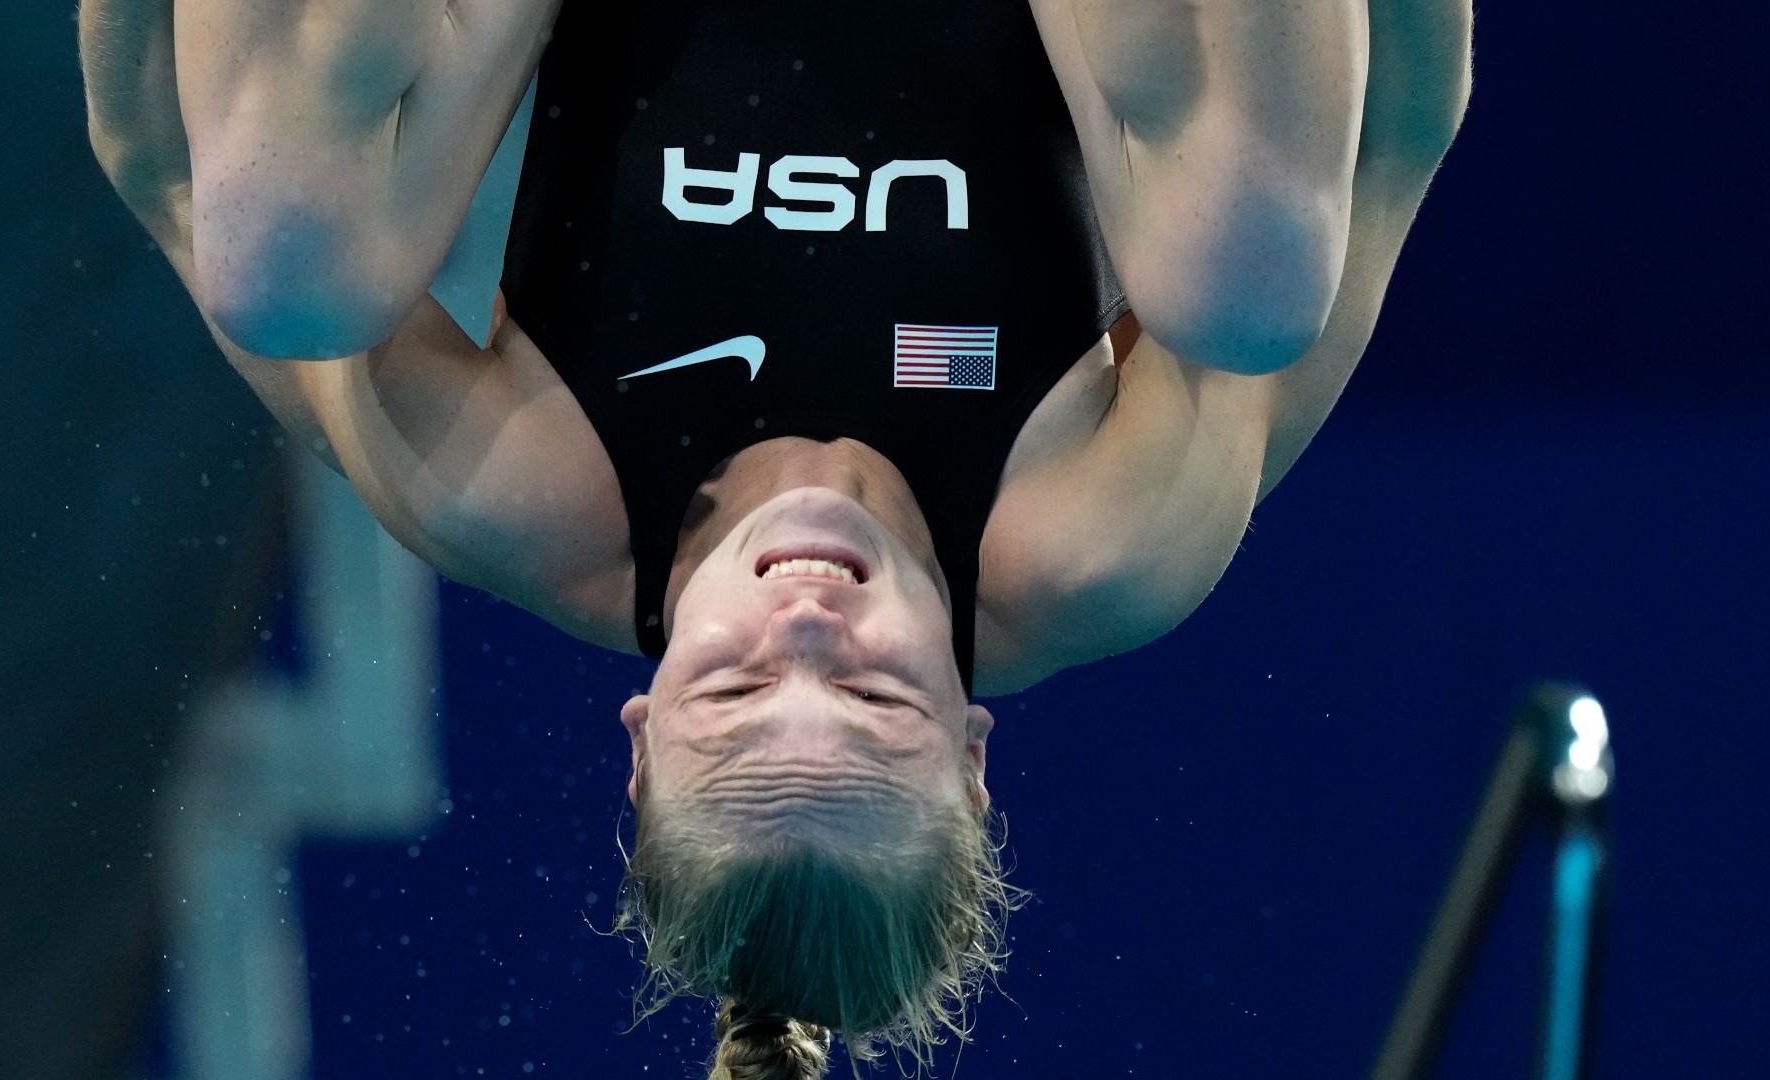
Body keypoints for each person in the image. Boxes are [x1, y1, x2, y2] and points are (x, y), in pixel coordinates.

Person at [82, 0, 1471, 1074]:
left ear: (635, 739)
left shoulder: (520, 485)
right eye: (871, 695)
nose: (808, 630)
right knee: (1257, 283)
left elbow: (166, 162)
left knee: (280, 263)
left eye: (739, 690)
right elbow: (1395, 134)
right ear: (975, 756)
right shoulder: (1096, 535)